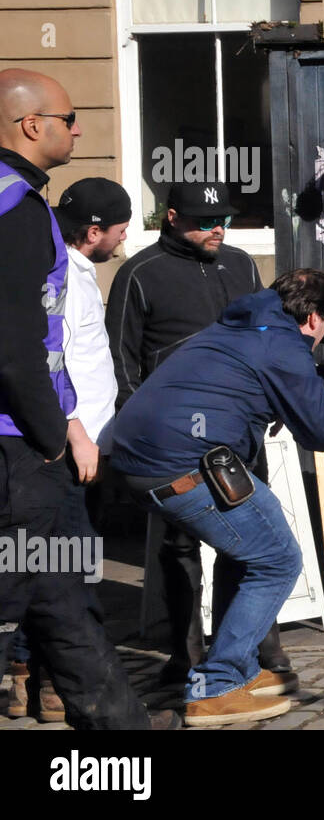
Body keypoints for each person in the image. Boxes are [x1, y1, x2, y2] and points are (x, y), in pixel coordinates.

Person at [111, 269, 324, 725]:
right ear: (313, 318)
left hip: (137, 461)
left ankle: (240, 668)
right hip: (184, 467)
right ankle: (216, 686)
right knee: (277, 560)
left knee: (245, 551)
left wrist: (311, 383)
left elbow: (249, 382)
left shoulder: (240, 324)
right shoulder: (282, 347)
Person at [0, 67, 176, 730]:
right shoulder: (18, 209)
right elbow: (18, 346)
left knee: (64, 600)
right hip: (22, 446)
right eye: (69, 118)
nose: (78, 128)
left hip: (28, 439)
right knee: (42, 592)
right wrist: (54, 434)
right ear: (31, 125)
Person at [106, 180, 293, 687]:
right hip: (173, 442)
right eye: (204, 221)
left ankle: (255, 648)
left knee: (250, 542)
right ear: (170, 217)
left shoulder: (242, 264)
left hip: (239, 432)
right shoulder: (139, 273)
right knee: (180, 547)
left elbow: (269, 336)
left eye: (224, 220)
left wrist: (274, 392)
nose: (217, 228)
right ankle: (185, 655)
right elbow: (121, 363)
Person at [6, 178, 132, 722]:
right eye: (121, 230)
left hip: (79, 448)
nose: (125, 240)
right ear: (94, 232)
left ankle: (45, 684)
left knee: (57, 569)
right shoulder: (68, 281)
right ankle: (34, 678)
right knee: (58, 571)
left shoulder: (79, 272)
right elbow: (56, 362)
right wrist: (74, 436)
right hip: (64, 449)